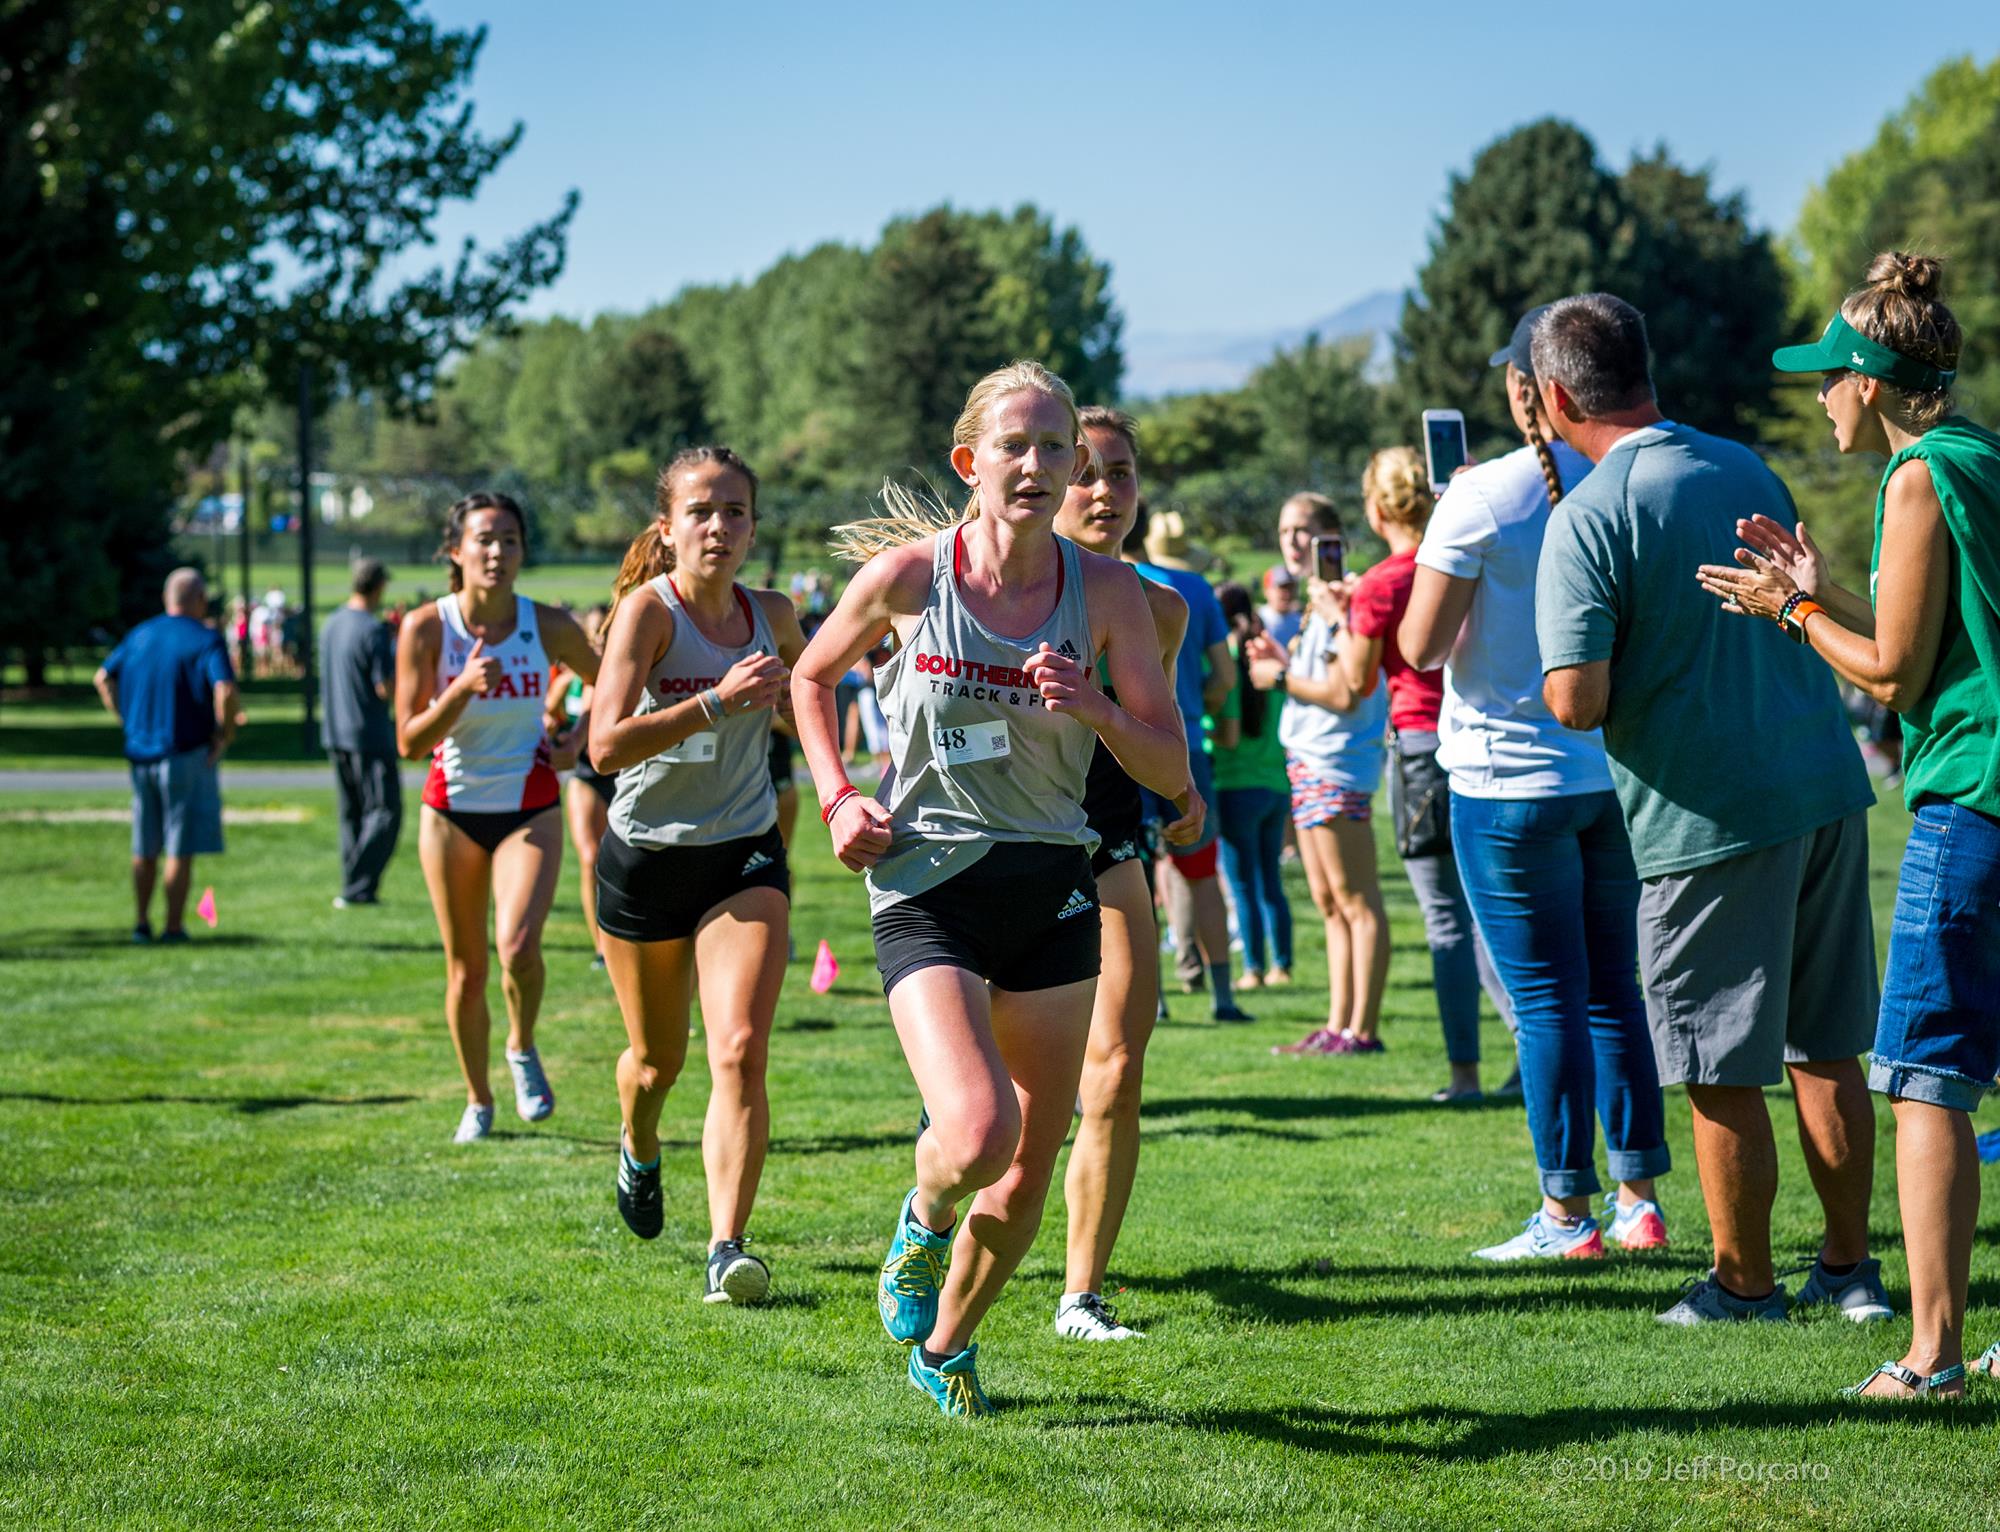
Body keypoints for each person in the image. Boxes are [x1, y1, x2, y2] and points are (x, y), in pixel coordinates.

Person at [793, 361, 1186, 1417]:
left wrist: (1097, 707)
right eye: (1015, 445)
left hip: (1051, 884)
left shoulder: (1110, 595)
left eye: (1056, 447)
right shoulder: (909, 579)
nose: (1037, 465)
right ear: (971, 462)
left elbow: (1168, 766)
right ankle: (923, 1218)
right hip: (928, 881)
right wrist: (836, 796)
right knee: (976, 1133)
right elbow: (809, 675)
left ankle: (947, 1346)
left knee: (1023, 1169)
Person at [1532, 293, 1887, 1323]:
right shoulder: (1741, 464)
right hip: (1823, 784)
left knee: (1716, 1062)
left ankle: (1743, 1284)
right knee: (1826, 1046)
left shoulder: (1589, 513)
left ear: (1556, 397)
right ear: (1644, 369)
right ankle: (1849, 1270)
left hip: (1707, 818)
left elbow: (1574, 699)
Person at [1698, 252, 2000, 1394]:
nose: (1819, 396)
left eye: (1828, 377)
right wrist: (1823, 589)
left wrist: (1790, 609)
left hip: (1969, 802)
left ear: (1868, 382)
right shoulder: (1978, 455)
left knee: (1925, 1079)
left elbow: (1888, 675)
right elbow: (1934, 635)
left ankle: (1930, 1355)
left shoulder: (1916, 475)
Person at [1399, 309, 1666, 1256]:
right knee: (1614, 991)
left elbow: (1420, 646)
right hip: (1612, 777)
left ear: (1528, 391)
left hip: (1506, 782)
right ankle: (1639, 1201)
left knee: (1548, 1002)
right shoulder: (1633, 477)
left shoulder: (1483, 495)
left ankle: (1565, 1213)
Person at [589, 446, 807, 1305]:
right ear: (669, 528)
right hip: (647, 857)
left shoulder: (774, 613)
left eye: (735, 512)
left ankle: (727, 1246)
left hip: (743, 851)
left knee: (741, 1050)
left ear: (754, 527)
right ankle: (639, 1144)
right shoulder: (648, 613)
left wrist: (799, 714)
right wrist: (717, 700)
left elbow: (811, 702)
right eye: (701, 512)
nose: (719, 527)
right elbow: (604, 746)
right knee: (656, 1063)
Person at [1050, 405, 1202, 1343]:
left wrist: (1184, 790)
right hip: (998, 850)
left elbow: (1160, 728)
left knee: (1113, 1069)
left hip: (1109, 843)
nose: (1105, 492)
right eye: (1085, 473)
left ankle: (1081, 1295)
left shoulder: (1162, 608)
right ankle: (937, 1215)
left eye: (1121, 473)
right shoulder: (987, 592)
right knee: (1000, 1102)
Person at [394, 493, 598, 1144]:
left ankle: (521, 1044)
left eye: (510, 540)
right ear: (456, 551)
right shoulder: (427, 628)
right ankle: (478, 1100)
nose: (497, 552)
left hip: (529, 804)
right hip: (451, 811)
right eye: (484, 539)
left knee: (517, 947)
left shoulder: (550, 625)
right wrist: (460, 690)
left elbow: (613, 681)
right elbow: (408, 741)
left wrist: (579, 738)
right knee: (467, 971)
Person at [1341, 447, 1516, 1102]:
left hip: (1420, 748)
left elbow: (1355, 683)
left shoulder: (1382, 583)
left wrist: (1337, 618)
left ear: (1376, 509)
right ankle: (1534, 1052)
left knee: (1447, 922)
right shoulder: (1468, 560)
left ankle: (1467, 1073)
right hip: (1485, 738)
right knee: (1491, 914)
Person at [1244, 493, 1389, 1055]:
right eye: (1285, 530)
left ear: (1333, 536)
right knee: (1330, 903)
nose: (1292, 540)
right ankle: (1338, 1026)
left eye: (1304, 530)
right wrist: (1281, 662)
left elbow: (1346, 693)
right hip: (1309, 759)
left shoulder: (1346, 598)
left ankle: (1362, 1031)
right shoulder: (1317, 600)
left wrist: (1279, 679)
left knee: (1357, 901)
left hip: (1337, 762)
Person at [1135, 507, 1247, 1021]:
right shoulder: (1196, 589)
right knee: (1201, 871)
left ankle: (1152, 1000)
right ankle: (1223, 997)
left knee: (1132, 877)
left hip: (1123, 747)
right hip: (1185, 745)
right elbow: (1225, 676)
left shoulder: (1100, 578)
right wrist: (1197, 704)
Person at [94, 568, 238, 943]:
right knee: (179, 844)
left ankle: (141, 923)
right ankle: (173, 927)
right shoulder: (205, 638)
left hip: (140, 754)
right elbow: (224, 689)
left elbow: (103, 678)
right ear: (200, 599)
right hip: (184, 753)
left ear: (166, 598)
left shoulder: (140, 634)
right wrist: (224, 734)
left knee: (144, 844)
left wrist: (127, 720)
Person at [1212, 584, 1293, 991]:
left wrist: (1200, 732)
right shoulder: (1268, 657)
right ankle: (1283, 966)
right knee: (1271, 883)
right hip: (1276, 785)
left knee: (1242, 885)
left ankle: (1254, 969)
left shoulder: (1226, 661)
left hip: (1235, 785)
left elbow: (1227, 735)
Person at [321, 558, 401, 909]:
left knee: (352, 814)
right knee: (384, 811)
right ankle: (357, 884)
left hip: (335, 731)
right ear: (379, 586)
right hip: (369, 732)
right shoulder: (372, 629)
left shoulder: (331, 623)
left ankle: (355, 887)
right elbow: (385, 687)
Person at [550, 603, 613, 969]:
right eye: (595, 637)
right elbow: (549, 712)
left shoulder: (626, 675)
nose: (601, 643)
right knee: (590, 857)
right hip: (586, 775)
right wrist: (552, 723)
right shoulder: (568, 681)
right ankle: (600, 945)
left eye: (607, 635)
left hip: (622, 774)